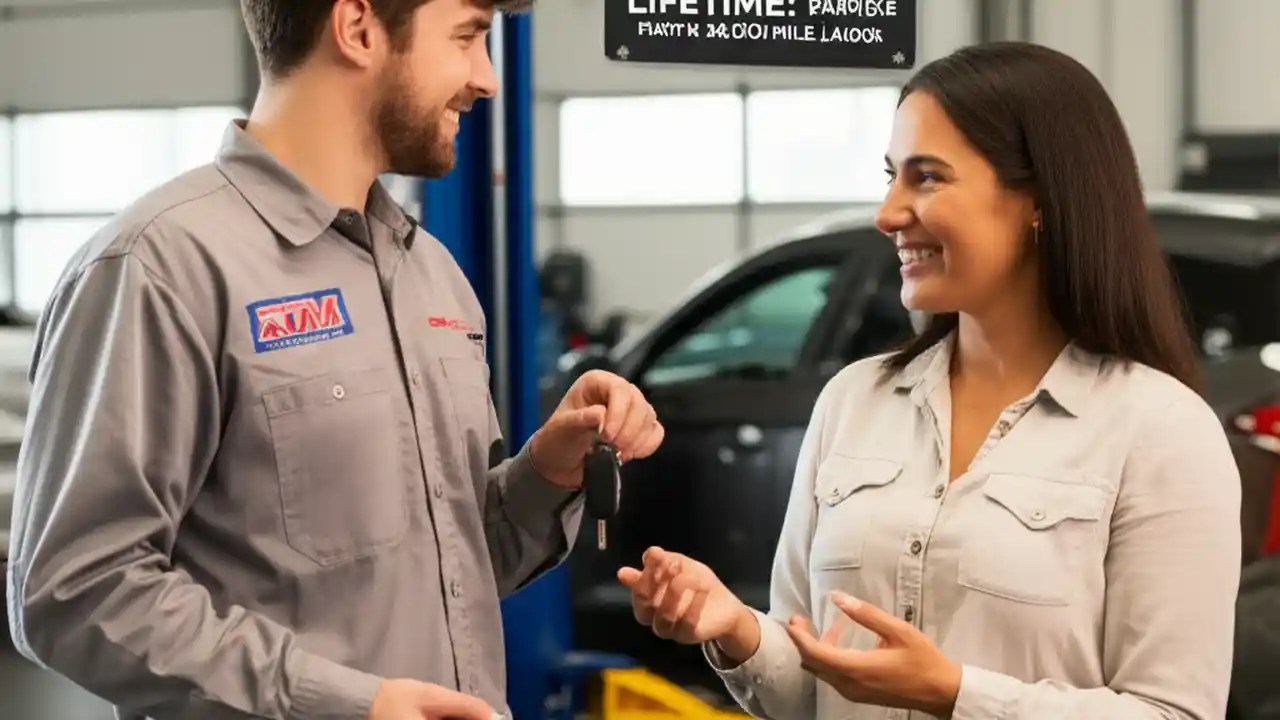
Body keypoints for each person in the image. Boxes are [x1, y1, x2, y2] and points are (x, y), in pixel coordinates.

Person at [5, 1, 665, 719]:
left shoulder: (429, 273)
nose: (487, 79)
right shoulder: (160, 268)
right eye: (469, 38)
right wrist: (350, 703)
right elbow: (75, 589)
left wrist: (547, 474)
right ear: (357, 28)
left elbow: (447, 570)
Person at [618, 41, 1242, 720]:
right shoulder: (853, 402)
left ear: (1037, 200)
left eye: (928, 177)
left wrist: (953, 693)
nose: (889, 213)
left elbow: (1174, 712)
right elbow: (812, 693)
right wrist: (735, 629)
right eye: (891, 176)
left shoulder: (1160, 431)